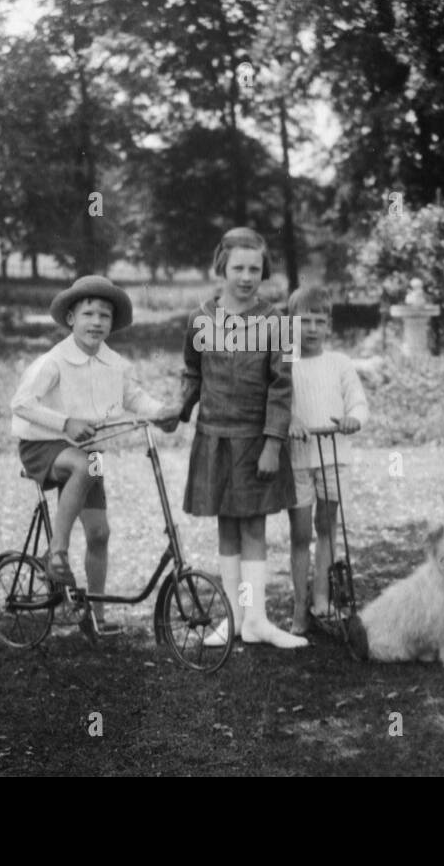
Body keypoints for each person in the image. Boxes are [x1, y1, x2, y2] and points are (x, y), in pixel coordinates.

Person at [11, 276, 179, 635]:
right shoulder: (54, 361)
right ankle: (55, 551)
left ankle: (96, 616)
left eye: (105, 315)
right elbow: (21, 404)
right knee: (85, 464)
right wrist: (66, 422)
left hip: (87, 451)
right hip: (43, 443)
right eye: (88, 313)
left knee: (100, 532)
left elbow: (135, 398)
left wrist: (161, 413)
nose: (97, 321)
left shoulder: (115, 364)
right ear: (71, 318)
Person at [180, 227, 307, 649]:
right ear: (222, 266)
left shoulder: (278, 322)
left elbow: (282, 385)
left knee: (254, 527)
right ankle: (232, 617)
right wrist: (178, 409)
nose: (246, 276)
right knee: (227, 528)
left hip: (256, 442)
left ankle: (258, 620)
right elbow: (193, 373)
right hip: (215, 438)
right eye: (238, 267)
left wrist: (273, 444)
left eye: (255, 268)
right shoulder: (201, 318)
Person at [284, 285, 369, 634]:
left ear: (329, 326)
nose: (313, 329)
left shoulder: (340, 363)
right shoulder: (284, 363)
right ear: (292, 324)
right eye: (305, 321)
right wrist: (289, 421)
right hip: (299, 459)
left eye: (319, 321)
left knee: (326, 526)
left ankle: (322, 598)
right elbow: (277, 404)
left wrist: (353, 420)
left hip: (333, 456)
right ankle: (300, 606)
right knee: (300, 532)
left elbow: (359, 403)